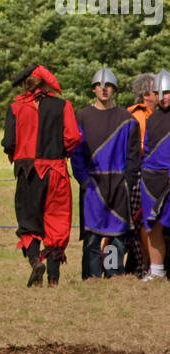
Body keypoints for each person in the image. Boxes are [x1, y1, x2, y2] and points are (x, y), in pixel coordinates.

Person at [2, 64, 80, 286]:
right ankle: (53, 280)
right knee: (57, 221)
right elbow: (73, 137)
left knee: (29, 222)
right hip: (56, 171)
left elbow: (9, 143)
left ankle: (36, 261)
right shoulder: (63, 105)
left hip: (28, 173)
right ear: (46, 84)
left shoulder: (16, 107)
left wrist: (19, 155)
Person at [71, 66, 140, 279]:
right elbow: (76, 153)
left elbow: (133, 156)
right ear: (93, 89)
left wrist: (127, 182)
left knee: (116, 234)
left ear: (114, 89)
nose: (104, 89)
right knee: (92, 234)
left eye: (108, 85)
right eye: (99, 86)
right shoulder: (82, 117)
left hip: (119, 183)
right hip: (92, 184)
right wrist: (84, 180)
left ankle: (112, 272)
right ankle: (92, 276)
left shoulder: (126, 119)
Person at [139, 68, 170, 280]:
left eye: (167, 92)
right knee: (153, 226)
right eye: (159, 93)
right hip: (153, 180)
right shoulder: (152, 119)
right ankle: (157, 271)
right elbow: (148, 149)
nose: (163, 97)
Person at [125, 74, 156, 276]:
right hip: (141, 173)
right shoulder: (136, 115)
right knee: (140, 221)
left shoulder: (159, 114)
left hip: (156, 172)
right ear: (145, 94)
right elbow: (139, 147)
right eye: (155, 90)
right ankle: (141, 264)